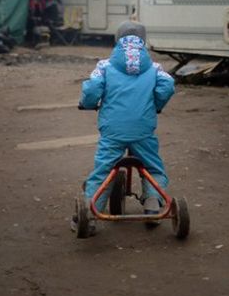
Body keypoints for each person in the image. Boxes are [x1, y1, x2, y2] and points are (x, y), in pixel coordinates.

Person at [75, 21, 175, 235]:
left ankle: (90, 214)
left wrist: (89, 103)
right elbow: (167, 86)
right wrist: (156, 104)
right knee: (152, 167)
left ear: (117, 39)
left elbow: (92, 89)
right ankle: (152, 205)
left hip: (113, 130)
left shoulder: (105, 66)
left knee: (103, 170)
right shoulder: (155, 68)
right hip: (143, 129)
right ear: (143, 40)